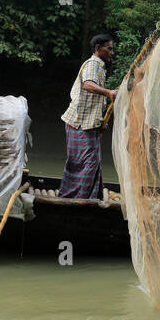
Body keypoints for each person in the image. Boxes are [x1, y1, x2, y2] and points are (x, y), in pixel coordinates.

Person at [57, 34, 116, 199]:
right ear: (98, 48)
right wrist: (108, 92)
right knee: (86, 162)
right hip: (79, 123)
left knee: (91, 162)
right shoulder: (92, 64)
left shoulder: (100, 66)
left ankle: (88, 196)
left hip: (88, 123)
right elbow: (88, 84)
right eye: (109, 49)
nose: (112, 53)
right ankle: (78, 198)